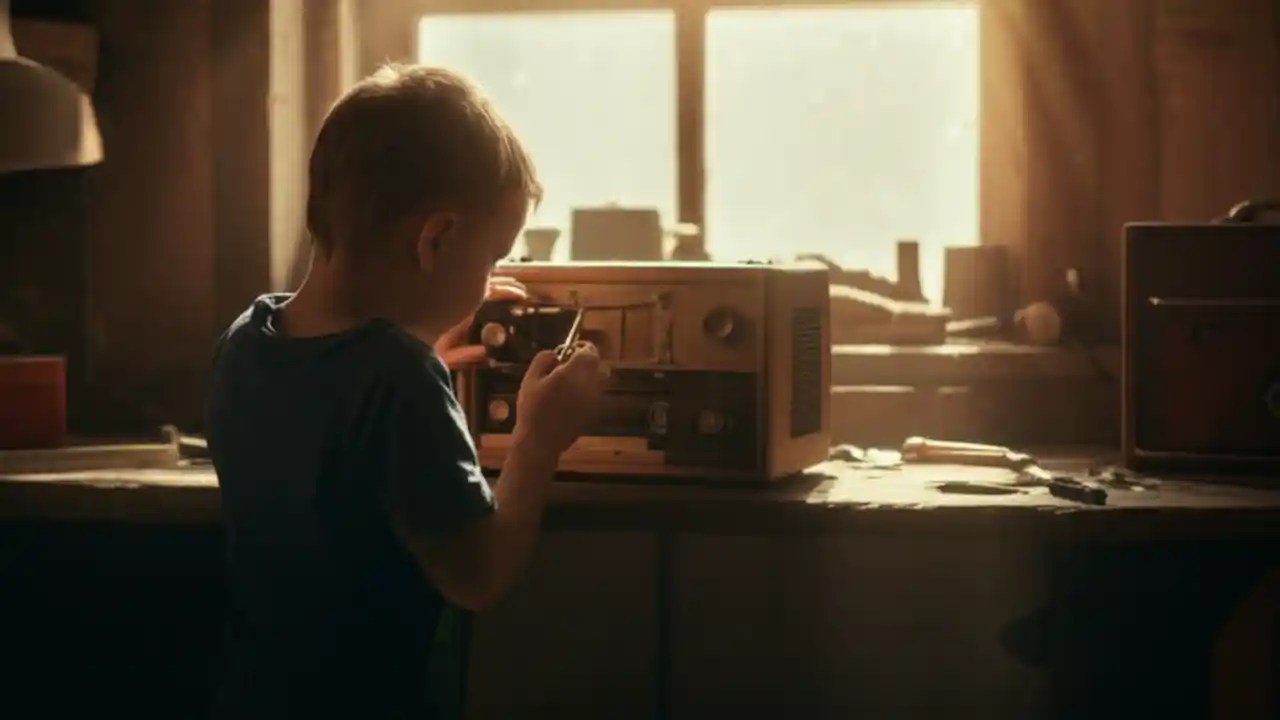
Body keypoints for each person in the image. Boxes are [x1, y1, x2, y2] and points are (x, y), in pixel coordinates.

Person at [206, 64, 607, 719]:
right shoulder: (399, 381)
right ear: (437, 239)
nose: (489, 280)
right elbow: (477, 575)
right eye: (491, 259)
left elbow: (336, 434)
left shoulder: (245, 340)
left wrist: (424, 362)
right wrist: (541, 436)